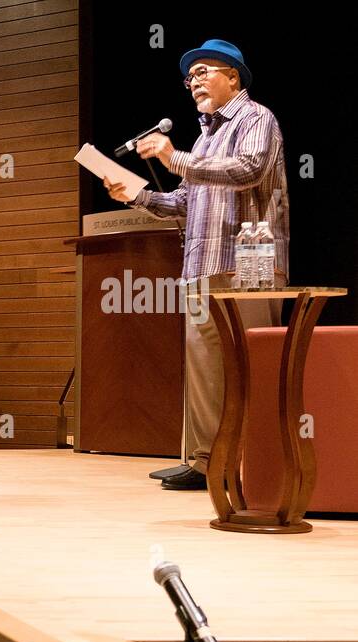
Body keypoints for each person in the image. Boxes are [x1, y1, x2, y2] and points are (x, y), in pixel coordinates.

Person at [106, 39, 288, 491]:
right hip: (201, 267)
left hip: (249, 265)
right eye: (190, 77)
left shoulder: (255, 118)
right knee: (205, 372)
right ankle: (209, 463)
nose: (194, 82)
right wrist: (139, 195)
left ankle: (252, 465)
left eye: (204, 71)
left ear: (234, 76)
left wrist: (174, 158)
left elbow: (248, 169)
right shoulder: (206, 137)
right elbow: (186, 201)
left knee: (248, 366)